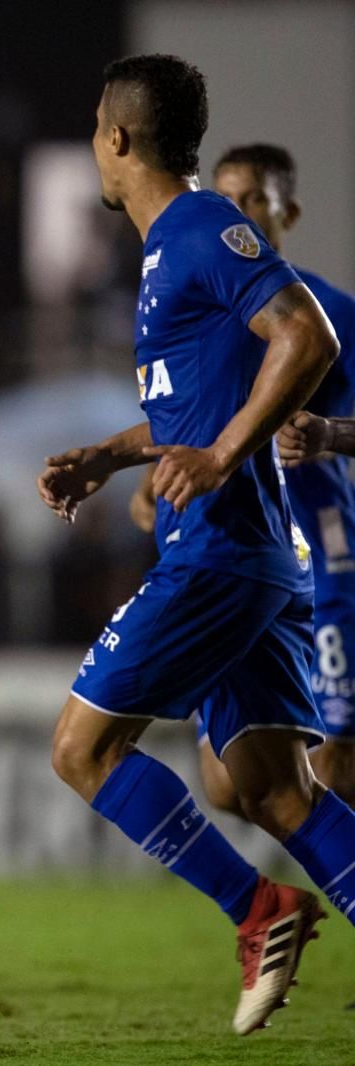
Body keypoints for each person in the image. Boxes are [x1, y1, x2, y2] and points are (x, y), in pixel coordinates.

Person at [37, 54, 354, 1036]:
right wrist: (108, 456)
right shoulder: (162, 255)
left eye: (96, 127)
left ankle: (257, 910)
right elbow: (185, 406)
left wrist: (220, 455)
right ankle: (276, 897)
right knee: (270, 789)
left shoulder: (197, 231)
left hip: (218, 552)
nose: (94, 143)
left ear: (118, 139)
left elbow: (307, 338)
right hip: (242, 555)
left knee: (80, 749)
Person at [129, 146, 355, 823]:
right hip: (235, 556)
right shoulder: (207, 308)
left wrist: (330, 435)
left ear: (287, 212)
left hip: (324, 568)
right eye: (226, 199)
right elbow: (179, 415)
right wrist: (149, 482)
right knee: (231, 785)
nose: (239, 213)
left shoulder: (321, 313)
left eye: (254, 199)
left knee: (334, 769)